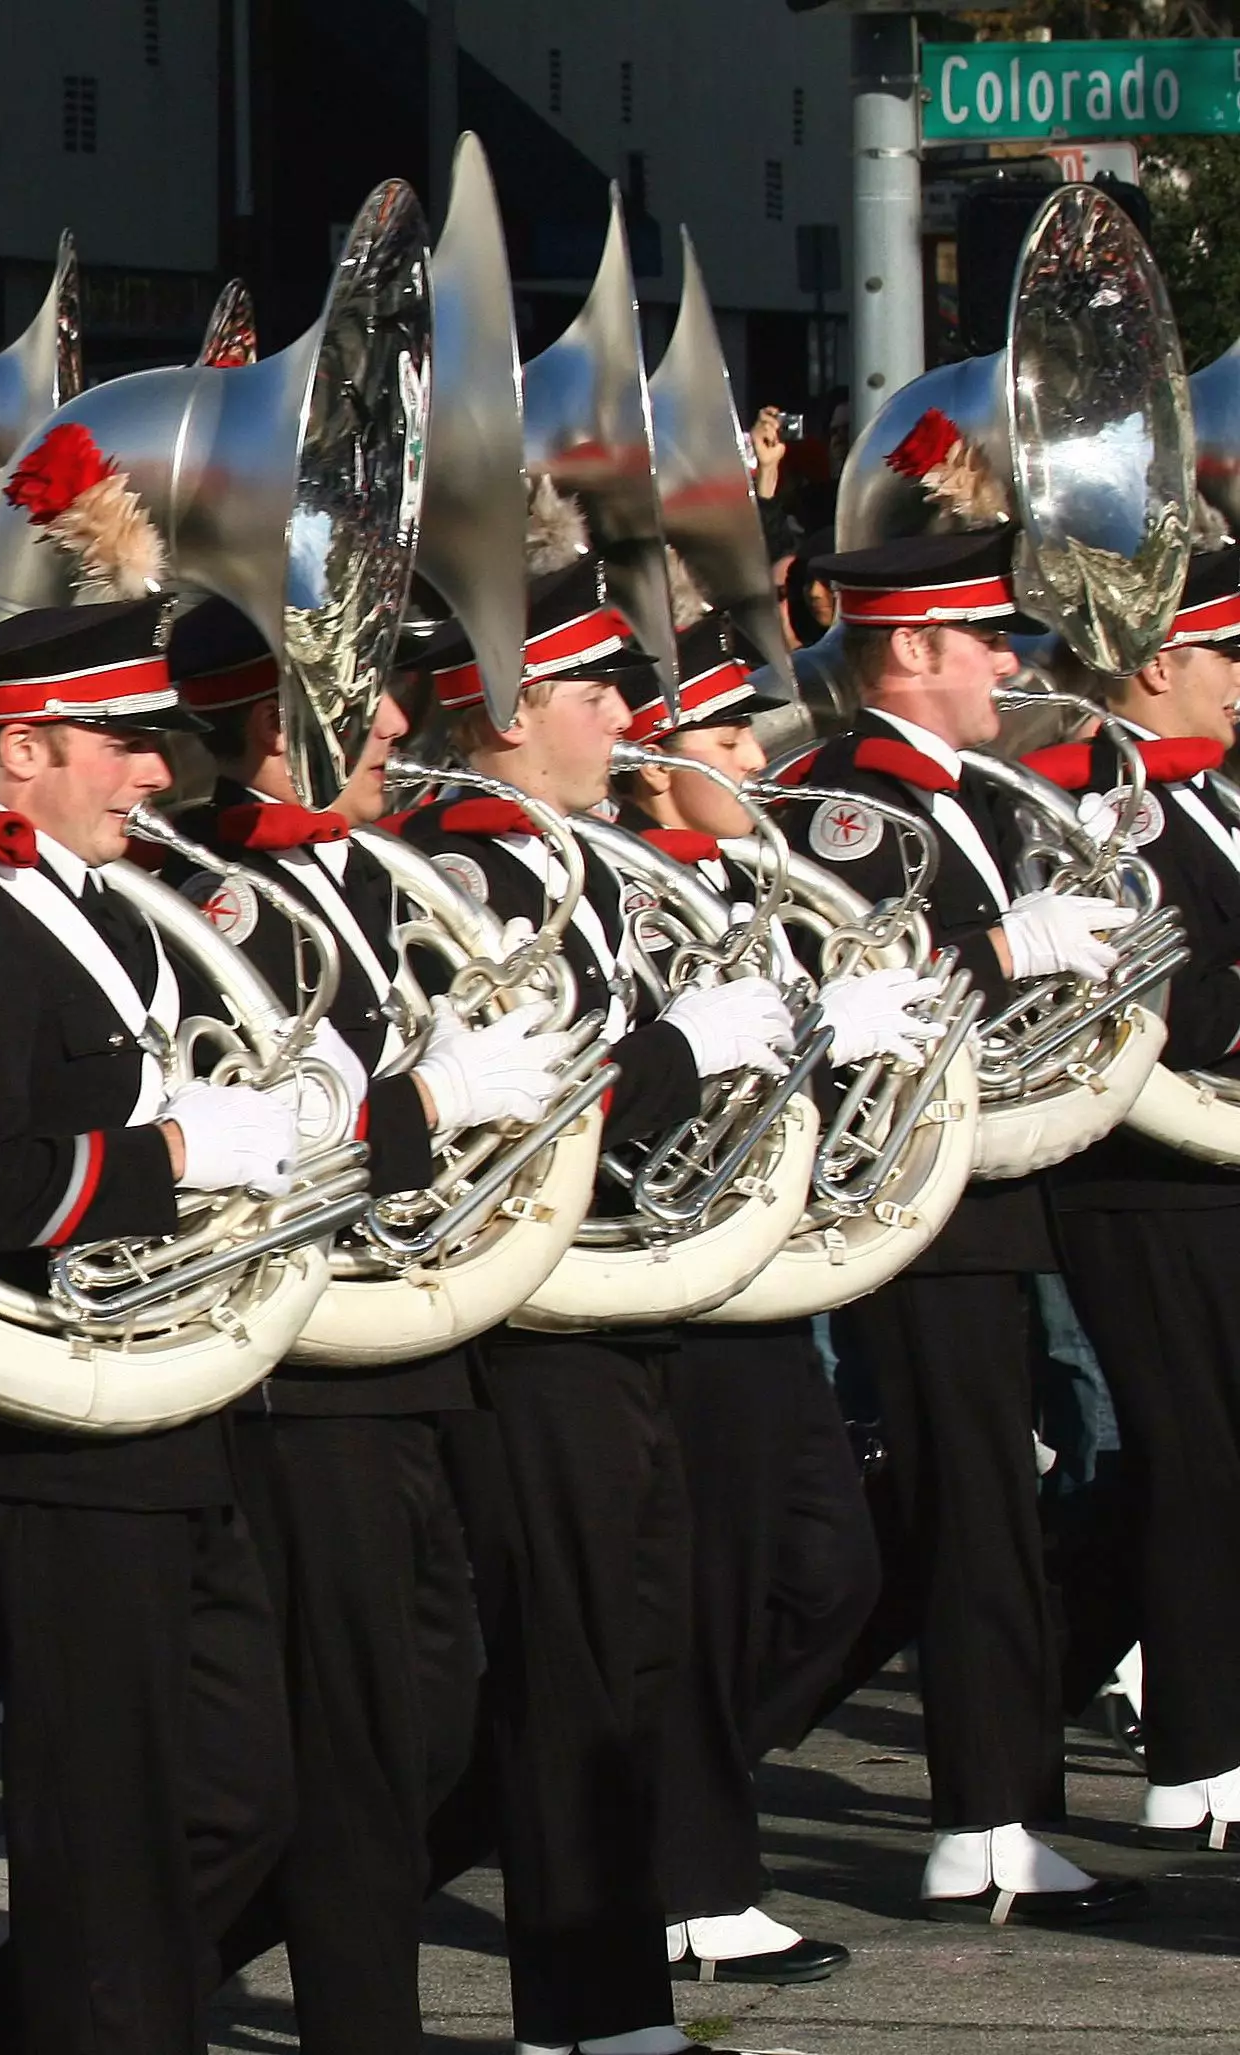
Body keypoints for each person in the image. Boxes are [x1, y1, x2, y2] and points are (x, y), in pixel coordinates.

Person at [0, 596, 297, 2055]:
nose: (161, 772)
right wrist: (183, 1155)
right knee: (109, 1830)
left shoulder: (107, 900)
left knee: (238, 1794)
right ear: (25, 747)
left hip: (169, 1390)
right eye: (128, 742)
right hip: (51, 1424)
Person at [393, 562, 802, 2055]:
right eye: (595, 688)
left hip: (625, 1300)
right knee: (576, 1665)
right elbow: (529, 1114)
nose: (631, 714)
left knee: (627, 1653)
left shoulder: (580, 854)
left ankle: (608, 1992)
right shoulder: (474, 873)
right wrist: (689, 1054)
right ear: (506, 714)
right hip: (534, 1313)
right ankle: (587, 2009)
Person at [164, 600, 571, 2053]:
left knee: (427, 1711)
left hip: (414, 1331)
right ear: (270, 728)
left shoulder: (368, 871)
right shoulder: (220, 892)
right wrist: (430, 1102)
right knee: (357, 1727)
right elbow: (277, 1130)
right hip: (310, 1356)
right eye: (364, 700)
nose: (401, 719)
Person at [778, 528, 1145, 1924]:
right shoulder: (851, 802)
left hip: (1003, 1189)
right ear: (913, 650)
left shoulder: (972, 792)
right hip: (921, 1198)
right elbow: (845, 983)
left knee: (1000, 1492)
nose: (1011, 659)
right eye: (985, 635)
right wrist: (1008, 951)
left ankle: (1004, 1803)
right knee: (960, 1499)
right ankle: (979, 1810)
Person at [610, 625, 904, 1984]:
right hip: (680, 1282)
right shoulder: (626, 890)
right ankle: (695, 1877)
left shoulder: (755, 887)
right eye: (727, 740)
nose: (754, 760)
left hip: (770, 1266)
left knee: (829, 1570)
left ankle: (644, 1801)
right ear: (659, 762)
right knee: (722, 1587)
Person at [1031, 545, 1240, 1853]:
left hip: (1202, 1175)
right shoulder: (1118, 805)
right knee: (1196, 1463)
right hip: (1143, 1182)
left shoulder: (1201, 792)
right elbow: (1156, 1007)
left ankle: (1055, 1683)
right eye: (1233, 657)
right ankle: (1200, 1754)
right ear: (1162, 665)